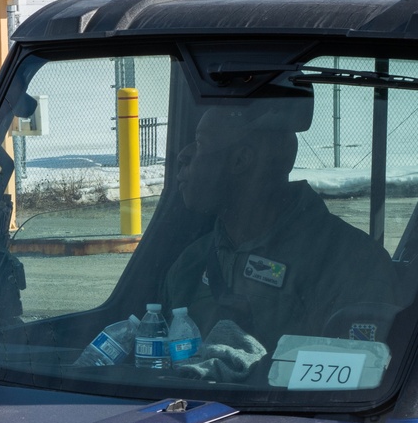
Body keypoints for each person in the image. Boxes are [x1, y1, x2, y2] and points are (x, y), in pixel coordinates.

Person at [164, 100, 399, 359]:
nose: (183, 155)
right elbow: (155, 355)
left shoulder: (355, 265)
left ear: (240, 160)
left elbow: (357, 378)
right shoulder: (191, 262)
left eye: (199, 143)